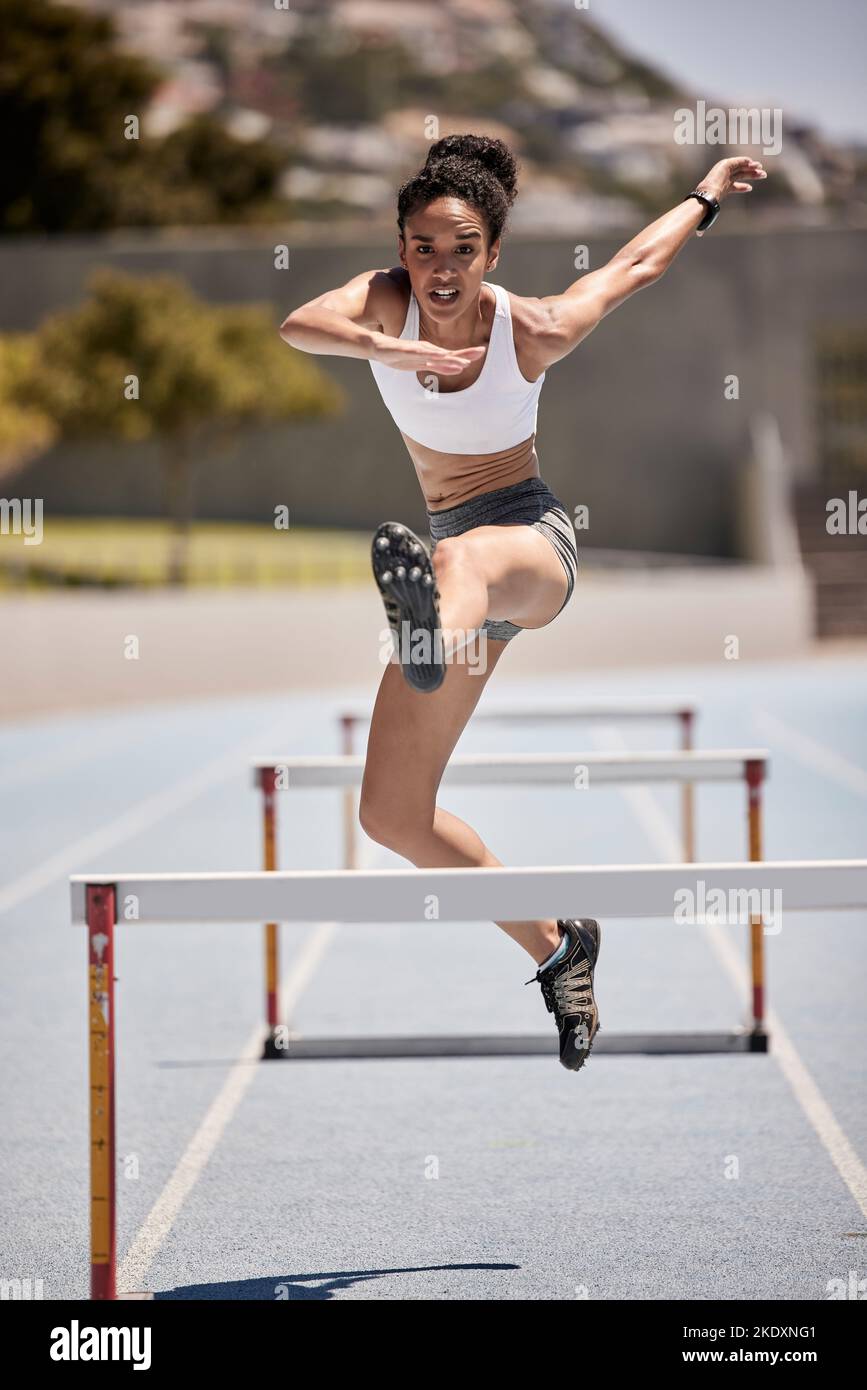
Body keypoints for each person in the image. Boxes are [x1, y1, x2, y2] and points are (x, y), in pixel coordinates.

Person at [280, 134, 767, 1071]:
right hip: (452, 573)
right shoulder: (381, 301)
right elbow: (299, 325)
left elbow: (633, 265)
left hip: (527, 543)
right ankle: (558, 945)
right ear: (401, 247)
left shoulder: (530, 327)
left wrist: (704, 194)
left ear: (491, 253)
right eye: (422, 247)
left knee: (456, 557)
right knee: (391, 816)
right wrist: (390, 345)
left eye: (461, 249)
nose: (440, 268)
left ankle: (428, 633)